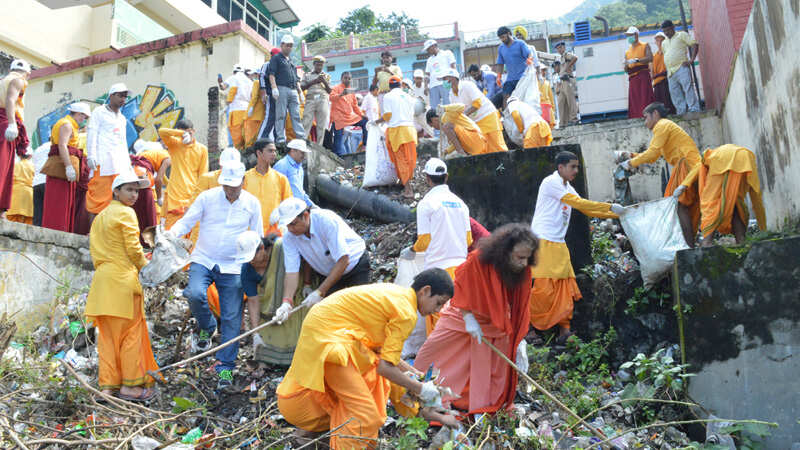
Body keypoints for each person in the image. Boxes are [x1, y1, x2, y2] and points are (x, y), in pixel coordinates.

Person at [276, 270, 455, 449]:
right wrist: (421, 388)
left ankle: (327, 438)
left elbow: (384, 355)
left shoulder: (398, 294)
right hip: (333, 340)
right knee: (364, 414)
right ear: (425, 291)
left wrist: (416, 375)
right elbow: (385, 368)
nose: (437, 310)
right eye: (438, 302)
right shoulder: (406, 312)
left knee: (362, 400)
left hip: (329, 330)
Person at [414, 224, 537, 414]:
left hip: (494, 323)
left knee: (483, 371)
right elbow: (461, 286)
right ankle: (414, 391)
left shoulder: (523, 269)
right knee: (430, 353)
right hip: (461, 316)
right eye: (519, 257)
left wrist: (518, 339)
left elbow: (519, 306)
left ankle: (471, 405)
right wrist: (469, 318)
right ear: (505, 252)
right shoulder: (479, 261)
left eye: (528, 258)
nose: (523, 263)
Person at [168, 162, 263, 390]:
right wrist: (170, 235)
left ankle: (225, 372)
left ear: (243, 182)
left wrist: (256, 267)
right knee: (194, 293)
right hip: (204, 258)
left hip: (233, 266)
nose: (230, 190)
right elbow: (187, 221)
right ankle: (208, 326)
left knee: (231, 318)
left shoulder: (252, 204)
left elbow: (257, 235)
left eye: (235, 186)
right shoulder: (208, 197)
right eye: (227, 186)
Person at [529, 152, 621, 342]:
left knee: (565, 287)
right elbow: (578, 203)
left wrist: (619, 214)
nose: (576, 171)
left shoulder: (567, 186)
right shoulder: (551, 182)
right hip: (543, 241)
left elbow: (585, 209)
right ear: (560, 167)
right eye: (573, 166)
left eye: (577, 167)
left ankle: (564, 330)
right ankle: (531, 330)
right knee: (543, 290)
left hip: (559, 243)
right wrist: (610, 208)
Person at [85, 168, 159, 401]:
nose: (134, 195)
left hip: (102, 285)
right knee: (130, 336)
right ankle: (130, 387)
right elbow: (134, 250)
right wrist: (148, 270)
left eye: (136, 191)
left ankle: (107, 388)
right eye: (129, 189)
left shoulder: (100, 217)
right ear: (115, 191)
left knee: (107, 340)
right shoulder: (126, 214)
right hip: (123, 283)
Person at [400, 157, 471, 356]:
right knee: (459, 320)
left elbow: (424, 240)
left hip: (439, 271)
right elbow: (468, 238)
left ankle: (441, 367)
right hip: (461, 269)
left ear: (427, 179)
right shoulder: (461, 204)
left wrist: (412, 250)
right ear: (446, 177)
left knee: (439, 323)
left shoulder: (427, 203)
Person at [619, 102, 701, 246]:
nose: (645, 123)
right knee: (682, 206)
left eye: (646, 118)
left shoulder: (662, 125)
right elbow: (653, 156)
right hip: (688, 165)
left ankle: (689, 246)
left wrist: (630, 163)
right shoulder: (665, 126)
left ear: (655, 114)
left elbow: (652, 153)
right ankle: (689, 243)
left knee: (679, 205)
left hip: (687, 165)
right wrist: (631, 156)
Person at [273, 197, 371, 308]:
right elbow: (292, 271)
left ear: (305, 216)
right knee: (332, 313)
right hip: (329, 274)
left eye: (293, 224)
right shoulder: (289, 237)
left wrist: (320, 292)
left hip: (355, 265)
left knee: (360, 307)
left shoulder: (325, 221)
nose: (290, 229)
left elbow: (344, 260)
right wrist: (287, 301)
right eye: (287, 225)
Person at [692, 145, 766, 246]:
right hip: (744, 158)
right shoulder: (708, 159)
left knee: (711, 204)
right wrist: (763, 228)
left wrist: (684, 185)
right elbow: (755, 194)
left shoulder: (703, 164)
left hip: (722, 159)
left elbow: (693, 177)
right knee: (735, 204)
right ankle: (741, 241)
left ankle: (707, 242)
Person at [42, 102, 91, 232]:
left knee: (64, 201)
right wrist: (69, 166)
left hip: (65, 167)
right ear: (78, 114)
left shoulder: (71, 125)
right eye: (84, 117)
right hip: (61, 168)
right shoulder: (67, 124)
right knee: (59, 201)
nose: (84, 120)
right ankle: (56, 228)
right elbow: (62, 146)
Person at [85, 83, 129, 218]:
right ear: (111, 96)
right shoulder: (99, 112)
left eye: (125, 97)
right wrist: (91, 155)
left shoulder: (122, 118)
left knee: (115, 200)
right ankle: (93, 233)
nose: (123, 99)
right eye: (120, 96)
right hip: (102, 163)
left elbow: (123, 142)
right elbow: (92, 133)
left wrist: (128, 165)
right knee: (98, 199)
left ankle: (108, 233)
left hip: (119, 165)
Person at [441, 69, 508, 153]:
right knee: (484, 149)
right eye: (443, 80)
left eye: (445, 79)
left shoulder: (467, 85)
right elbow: (455, 111)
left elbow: (477, 103)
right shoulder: (451, 94)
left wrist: (464, 115)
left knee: (498, 146)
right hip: (475, 123)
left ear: (453, 77)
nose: (444, 82)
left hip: (488, 116)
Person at [159, 119, 209, 229]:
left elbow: (203, 175)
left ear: (194, 131)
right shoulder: (175, 144)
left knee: (190, 240)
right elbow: (162, 131)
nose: (186, 136)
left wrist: (199, 197)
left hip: (192, 197)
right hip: (175, 198)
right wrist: (181, 134)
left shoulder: (202, 149)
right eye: (183, 133)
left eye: (189, 133)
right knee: (172, 237)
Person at [0, 59, 31, 219]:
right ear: (27, 74)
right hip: (5, 123)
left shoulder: (3, 80)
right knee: (3, 167)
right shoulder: (18, 80)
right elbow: (11, 100)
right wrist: (12, 124)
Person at [243, 139, 293, 235]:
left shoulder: (281, 179)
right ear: (259, 153)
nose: (274, 154)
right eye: (270, 151)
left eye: (275, 151)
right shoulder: (245, 178)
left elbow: (288, 205)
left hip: (274, 234)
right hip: (250, 233)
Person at [379, 76, 418, 198]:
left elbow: (388, 116)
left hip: (397, 132)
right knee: (410, 159)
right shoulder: (408, 97)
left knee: (401, 161)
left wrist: (377, 121)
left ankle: (408, 190)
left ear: (389, 87)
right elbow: (413, 113)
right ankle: (404, 182)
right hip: (410, 130)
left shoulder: (388, 96)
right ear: (401, 85)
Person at [269, 35, 306, 146]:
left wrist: (300, 93)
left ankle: (301, 137)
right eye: (287, 45)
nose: (289, 48)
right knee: (280, 114)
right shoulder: (276, 58)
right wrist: (274, 87)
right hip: (281, 88)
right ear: (282, 45)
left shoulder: (291, 62)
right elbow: (271, 74)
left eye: (291, 46)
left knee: (296, 114)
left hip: (293, 90)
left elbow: (296, 79)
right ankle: (280, 138)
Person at [661, 20, 700, 114]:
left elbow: (694, 44)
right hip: (670, 72)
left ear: (673, 27)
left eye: (668, 30)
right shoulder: (664, 42)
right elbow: (666, 55)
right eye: (664, 31)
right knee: (675, 93)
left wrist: (691, 60)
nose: (666, 33)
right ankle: (681, 111)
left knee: (687, 88)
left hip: (681, 67)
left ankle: (693, 108)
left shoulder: (681, 35)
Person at [329, 72, 367, 156]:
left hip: (349, 117)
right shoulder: (336, 88)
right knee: (338, 137)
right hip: (338, 117)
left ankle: (365, 144)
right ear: (341, 79)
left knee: (365, 122)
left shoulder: (351, 91)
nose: (347, 80)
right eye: (345, 78)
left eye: (349, 78)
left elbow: (355, 106)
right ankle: (337, 155)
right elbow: (331, 98)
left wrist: (362, 115)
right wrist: (341, 94)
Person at [218, 65, 253, 150]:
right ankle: (245, 149)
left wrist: (220, 82)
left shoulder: (233, 78)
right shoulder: (249, 81)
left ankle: (235, 149)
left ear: (234, 71)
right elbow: (253, 95)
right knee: (245, 130)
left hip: (236, 108)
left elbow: (224, 88)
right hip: (247, 108)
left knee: (235, 130)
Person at [623, 27, 655, 119]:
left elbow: (650, 58)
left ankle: (648, 116)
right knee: (635, 99)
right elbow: (626, 69)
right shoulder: (627, 52)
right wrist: (626, 65)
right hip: (633, 78)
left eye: (630, 35)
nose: (629, 37)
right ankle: (636, 116)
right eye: (628, 36)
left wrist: (637, 60)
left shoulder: (645, 45)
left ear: (636, 35)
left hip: (643, 75)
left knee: (645, 97)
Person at [495, 26, 532, 104]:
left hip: (523, 77)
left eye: (503, 37)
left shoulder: (520, 43)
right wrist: (499, 76)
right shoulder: (501, 48)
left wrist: (529, 59)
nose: (502, 40)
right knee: (506, 96)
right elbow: (500, 64)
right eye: (500, 38)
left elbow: (529, 54)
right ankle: (506, 115)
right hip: (510, 79)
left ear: (509, 34)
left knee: (522, 99)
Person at [301, 55, 332, 145]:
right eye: (318, 64)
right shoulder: (307, 75)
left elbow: (330, 91)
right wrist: (314, 81)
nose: (319, 67)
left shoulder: (327, 76)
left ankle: (319, 146)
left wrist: (324, 81)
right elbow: (302, 87)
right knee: (306, 121)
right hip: (310, 99)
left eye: (321, 65)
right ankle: (302, 142)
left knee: (321, 124)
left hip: (322, 100)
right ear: (314, 64)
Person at [273, 139, 313, 207]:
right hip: (286, 209)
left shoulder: (300, 168)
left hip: (298, 208)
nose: (304, 156)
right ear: (293, 150)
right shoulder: (282, 165)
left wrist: (312, 205)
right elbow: (275, 190)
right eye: (302, 153)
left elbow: (301, 192)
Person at [135, 139, 171, 213]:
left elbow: (162, 178)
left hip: (136, 166)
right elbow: (159, 179)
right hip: (143, 170)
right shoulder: (168, 158)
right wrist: (159, 198)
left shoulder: (159, 152)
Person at [423, 39, 456, 110]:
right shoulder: (429, 60)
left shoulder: (447, 53)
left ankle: (449, 121)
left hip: (446, 83)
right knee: (435, 108)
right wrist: (425, 86)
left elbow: (453, 67)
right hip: (433, 85)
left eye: (428, 49)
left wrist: (454, 80)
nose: (427, 51)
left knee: (448, 105)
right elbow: (427, 74)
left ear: (433, 46)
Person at [258, 47, 282, 141]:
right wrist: (263, 93)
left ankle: (277, 139)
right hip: (269, 93)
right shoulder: (266, 65)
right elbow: (262, 78)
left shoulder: (281, 66)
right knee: (270, 117)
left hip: (279, 96)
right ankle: (261, 139)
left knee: (278, 118)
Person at [651, 31, 676, 115]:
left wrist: (657, 75)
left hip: (666, 81)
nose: (659, 43)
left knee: (669, 103)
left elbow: (669, 69)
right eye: (657, 41)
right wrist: (654, 75)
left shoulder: (668, 52)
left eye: (661, 40)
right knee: (659, 106)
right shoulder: (654, 56)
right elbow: (652, 72)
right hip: (657, 84)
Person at [555, 42, 579, 127]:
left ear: (564, 47)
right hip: (561, 81)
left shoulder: (566, 55)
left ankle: (574, 119)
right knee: (561, 102)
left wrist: (568, 67)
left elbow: (575, 58)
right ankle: (563, 122)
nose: (559, 49)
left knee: (570, 100)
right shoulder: (560, 58)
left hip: (567, 79)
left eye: (560, 47)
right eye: (557, 48)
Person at [7, 147, 33, 224]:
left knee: (11, 221)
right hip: (29, 195)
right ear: (30, 156)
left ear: (20, 155)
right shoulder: (33, 166)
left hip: (15, 194)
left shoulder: (14, 165)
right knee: (28, 222)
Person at [244, 69, 266, 149]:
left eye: (254, 74)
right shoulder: (265, 83)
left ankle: (248, 150)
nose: (252, 76)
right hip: (261, 113)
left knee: (250, 134)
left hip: (254, 113)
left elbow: (254, 97)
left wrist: (251, 108)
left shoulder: (256, 82)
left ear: (257, 75)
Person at [31, 143, 48, 226]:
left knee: (38, 211)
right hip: (47, 180)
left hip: (36, 182)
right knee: (49, 209)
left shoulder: (38, 149)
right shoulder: (55, 146)